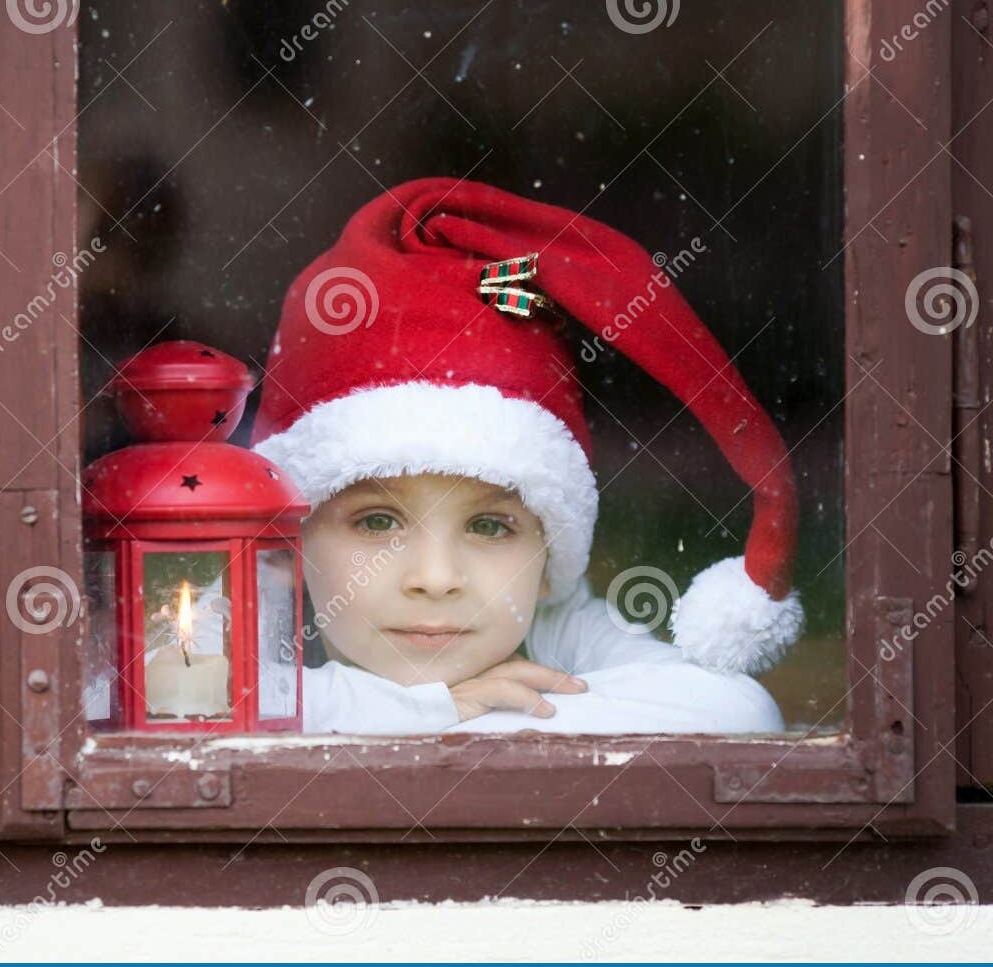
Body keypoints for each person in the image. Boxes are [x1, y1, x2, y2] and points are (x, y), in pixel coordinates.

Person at [248, 177, 806, 735]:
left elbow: (735, 711)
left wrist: (442, 721)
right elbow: (185, 707)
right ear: (290, 541)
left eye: (490, 526)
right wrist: (429, 711)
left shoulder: (552, 628)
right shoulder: (238, 622)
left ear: (547, 557)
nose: (437, 578)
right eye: (376, 520)